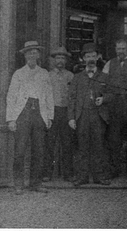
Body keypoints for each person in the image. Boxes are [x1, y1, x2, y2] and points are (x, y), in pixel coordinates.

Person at [5, 40, 54, 194]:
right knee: (20, 151)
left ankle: (36, 183)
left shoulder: (44, 73)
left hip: (39, 112)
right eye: (29, 52)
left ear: (38, 54)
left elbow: (49, 96)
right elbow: (11, 97)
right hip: (23, 113)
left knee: (39, 151)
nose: (32, 54)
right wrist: (11, 119)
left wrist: (49, 117)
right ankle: (18, 183)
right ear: (25, 55)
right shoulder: (19, 73)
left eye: (35, 52)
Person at [68, 43, 112, 186]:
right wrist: (71, 118)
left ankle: (99, 176)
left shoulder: (105, 77)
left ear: (98, 57)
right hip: (82, 116)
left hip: (98, 116)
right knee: (82, 147)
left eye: (93, 56)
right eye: (87, 56)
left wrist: (103, 99)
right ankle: (82, 177)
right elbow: (72, 98)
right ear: (83, 59)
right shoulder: (77, 77)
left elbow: (112, 95)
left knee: (98, 146)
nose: (91, 59)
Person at [103, 37, 127, 179]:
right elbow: (103, 83)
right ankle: (114, 170)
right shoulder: (109, 64)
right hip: (114, 107)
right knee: (114, 140)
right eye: (118, 48)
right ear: (115, 50)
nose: (121, 51)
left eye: (123, 48)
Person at [44, 46, 74, 181]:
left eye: (63, 58)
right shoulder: (48, 76)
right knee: (49, 144)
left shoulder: (71, 76)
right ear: (53, 60)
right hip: (52, 111)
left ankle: (68, 174)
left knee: (67, 144)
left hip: (66, 112)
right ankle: (47, 173)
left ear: (66, 60)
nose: (60, 60)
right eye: (58, 58)